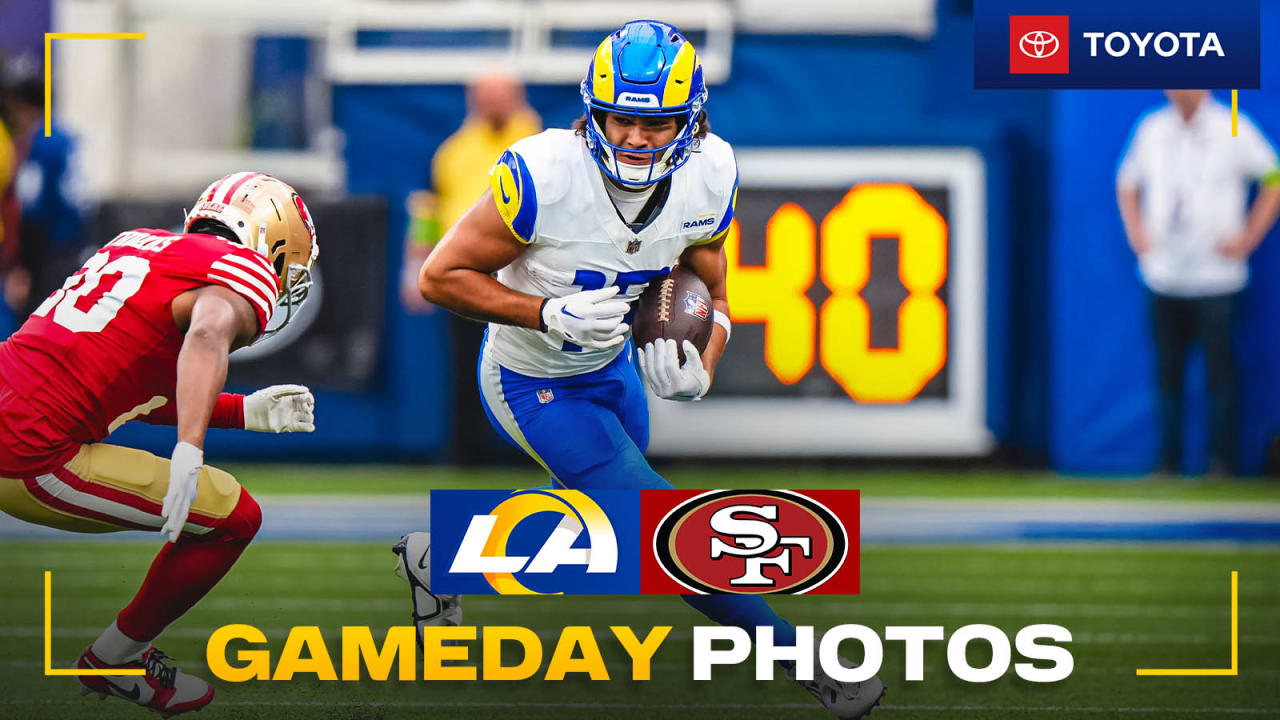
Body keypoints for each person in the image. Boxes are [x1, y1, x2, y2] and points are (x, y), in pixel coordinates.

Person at [394, 20, 885, 719]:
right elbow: (443, 276)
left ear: (690, 120)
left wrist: (703, 364)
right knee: (660, 525)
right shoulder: (542, 173)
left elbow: (712, 291)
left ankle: (447, 552)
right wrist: (543, 313)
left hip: (611, 367)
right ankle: (809, 666)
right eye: (620, 118)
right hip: (531, 378)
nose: (632, 137)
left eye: (654, 123)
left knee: (607, 526)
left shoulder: (711, 174)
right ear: (593, 112)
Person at [0, 172, 319, 715]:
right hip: (29, 448)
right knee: (231, 516)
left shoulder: (137, 244)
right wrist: (190, 449)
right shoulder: (240, 271)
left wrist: (245, 411)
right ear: (274, 237)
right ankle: (116, 659)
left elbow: (133, 386)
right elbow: (208, 332)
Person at [1117, 90, 1280, 475]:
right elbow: (1127, 182)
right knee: (1167, 371)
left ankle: (1222, 462)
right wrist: (1137, 232)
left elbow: (1273, 176)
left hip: (1217, 276)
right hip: (1164, 272)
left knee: (1220, 373)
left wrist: (1249, 237)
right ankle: (1167, 462)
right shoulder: (1152, 127)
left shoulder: (1233, 124)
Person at [399, 70, 541, 312]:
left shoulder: (537, 144)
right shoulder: (452, 152)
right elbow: (427, 209)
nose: (494, 103)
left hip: (522, 269)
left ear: (518, 97)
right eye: (487, 96)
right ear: (472, 100)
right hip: (465, 267)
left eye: (501, 95)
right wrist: (415, 268)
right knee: (465, 346)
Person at [7, 72, 94, 318]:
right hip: (74, 237)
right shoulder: (64, 134)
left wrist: (20, 263)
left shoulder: (41, 141)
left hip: (50, 244)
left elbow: (32, 202)